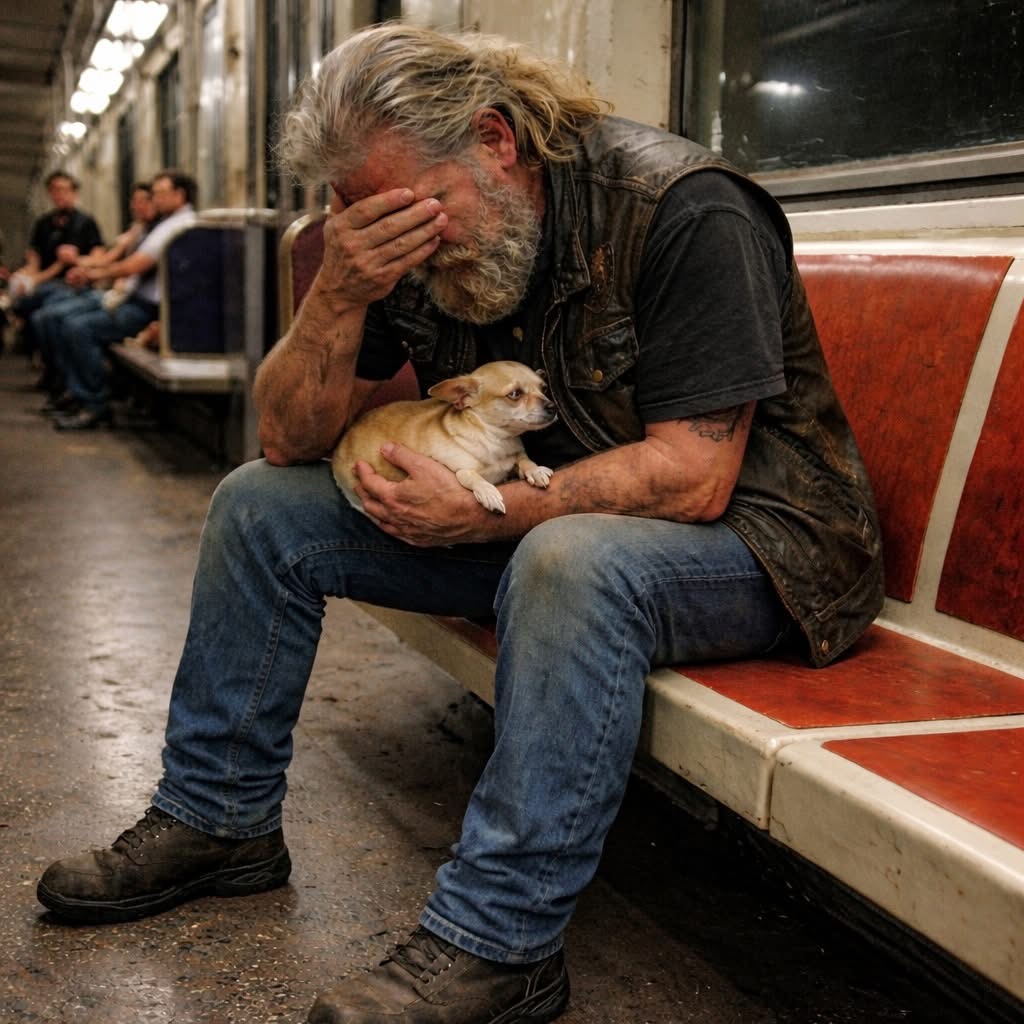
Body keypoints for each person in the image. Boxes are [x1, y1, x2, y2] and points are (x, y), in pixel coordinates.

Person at [37, 24, 883, 1024]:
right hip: (535, 531)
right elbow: (284, 437)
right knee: (260, 508)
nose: (406, 240)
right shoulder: (409, 245)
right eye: (365, 215)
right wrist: (339, 289)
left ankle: (502, 942)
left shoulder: (681, 210)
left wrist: (492, 516)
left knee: (568, 561)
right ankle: (218, 820)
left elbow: (695, 476)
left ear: (496, 140)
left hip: (759, 549)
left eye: (413, 209)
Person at [50, 170, 196, 430]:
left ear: (179, 195)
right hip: (137, 300)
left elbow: (135, 266)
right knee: (66, 320)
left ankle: (94, 404)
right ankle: (79, 393)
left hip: (151, 308)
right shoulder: (163, 225)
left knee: (79, 328)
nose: (155, 200)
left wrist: (93, 273)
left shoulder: (177, 226)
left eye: (160, 194)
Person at [33, 181, 157, 412]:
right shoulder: (139, 230)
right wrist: (87, 270)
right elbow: (113, 260)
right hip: (118, 295)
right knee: (50, 315)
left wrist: (86, 270)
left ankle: (92, 401)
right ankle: (69, 385)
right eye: (134, 201)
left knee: (73, 324)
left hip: (134, 302)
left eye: (145, 200)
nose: (137, 206)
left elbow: (126, 267)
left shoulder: (163, 231)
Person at [12, 171, 104, 377]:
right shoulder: (43, 224)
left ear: (74, 192)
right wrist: (26, 278)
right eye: (54, 190)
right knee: (22, 305)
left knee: (47, 316)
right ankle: (51, 366)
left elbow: (99, 258)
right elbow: (34, 259)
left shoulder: (86, 223)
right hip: (46, 284)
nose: (59, 195)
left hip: (72, 286)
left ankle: (60, 375)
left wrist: (77, 262)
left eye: (64, 190)